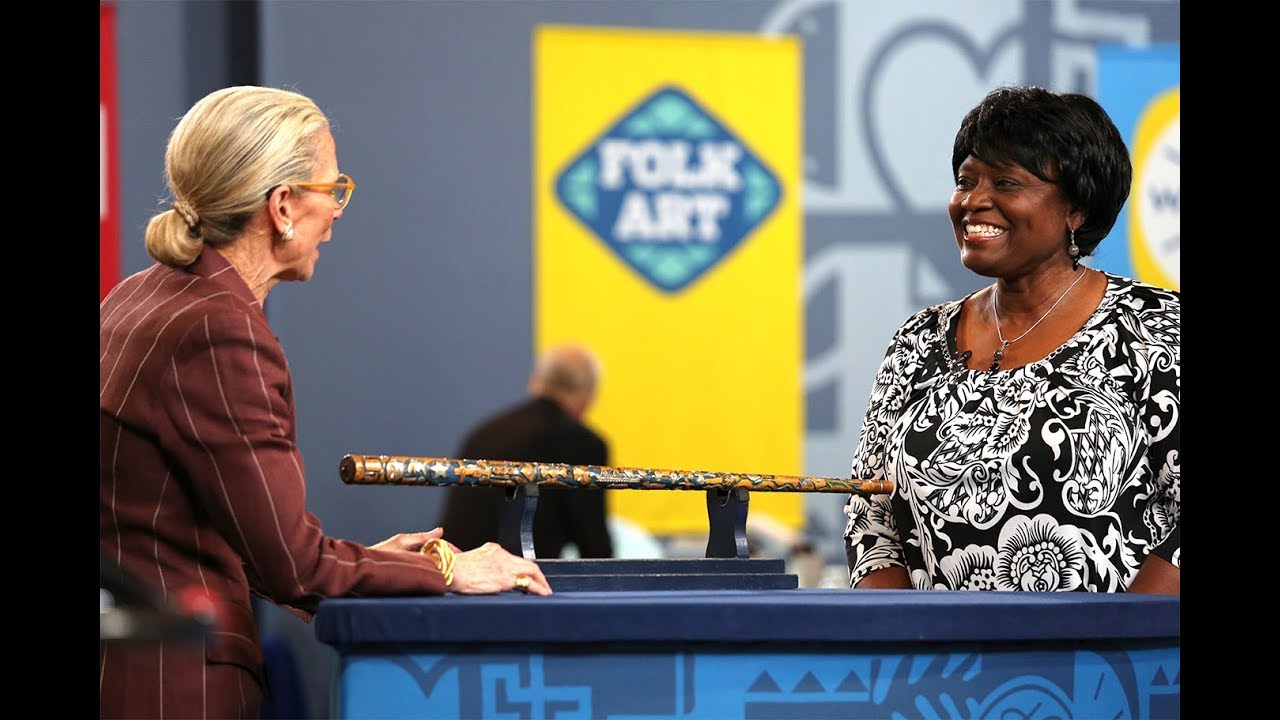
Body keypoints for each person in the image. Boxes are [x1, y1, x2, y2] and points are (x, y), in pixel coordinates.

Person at [100, 85, 552, 720]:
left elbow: (231, 535)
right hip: (177, 688)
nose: (338, 211)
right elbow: (292, 565)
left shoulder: (136, 298)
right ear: (282, 205)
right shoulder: (218, 330)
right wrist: (447, 568)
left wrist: (371, 563)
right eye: (332, 189)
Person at [842, 85, 1179, 594]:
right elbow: (872, 518)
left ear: (1077, 209)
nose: (973, 202)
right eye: (965, 181)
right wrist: (910, 649)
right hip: (932, 664)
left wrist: (1109, 651)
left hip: (1116, 663)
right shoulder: (916, 341)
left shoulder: (1158, 329)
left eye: (1005, 182)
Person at [440, 344, 614, 558]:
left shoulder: (484, 433)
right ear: (588, 396)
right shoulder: (583, 443)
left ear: (536, 382)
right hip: (520, 581)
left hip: (456, 572)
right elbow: (593, 542)